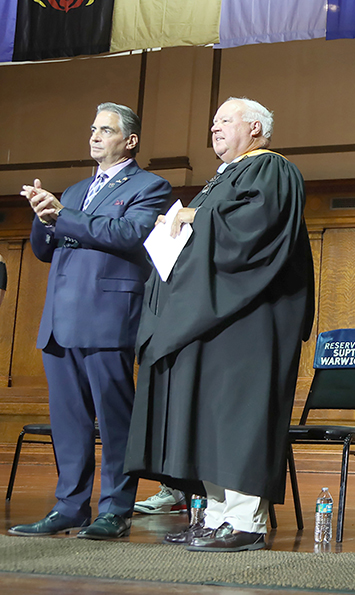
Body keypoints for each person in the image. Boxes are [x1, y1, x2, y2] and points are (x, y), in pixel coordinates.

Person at [124, 97, 314, 552]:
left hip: (250, 320)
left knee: (240, 418)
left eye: (223, 121)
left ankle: (246, 522)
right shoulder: (223, 178)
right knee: (212, 418)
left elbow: (252, 230)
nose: (214, 129)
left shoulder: (271, 169)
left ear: (254, 127)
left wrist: (195, 217)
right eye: (212, 122)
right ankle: (214, 517)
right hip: (217, 320)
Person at [10, 103, 171, 539]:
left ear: (130, 140)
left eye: (106, 130)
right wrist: (43, 216)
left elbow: (130, 235)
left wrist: (62, 215)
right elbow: (46, 250)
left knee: (115, 421)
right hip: (60, 321)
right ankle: (69, 506)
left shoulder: (150, 186)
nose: (95, 136)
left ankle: (115, 509)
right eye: (93, 129)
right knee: (69, 422)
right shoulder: (76, 188)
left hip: (107, 318)